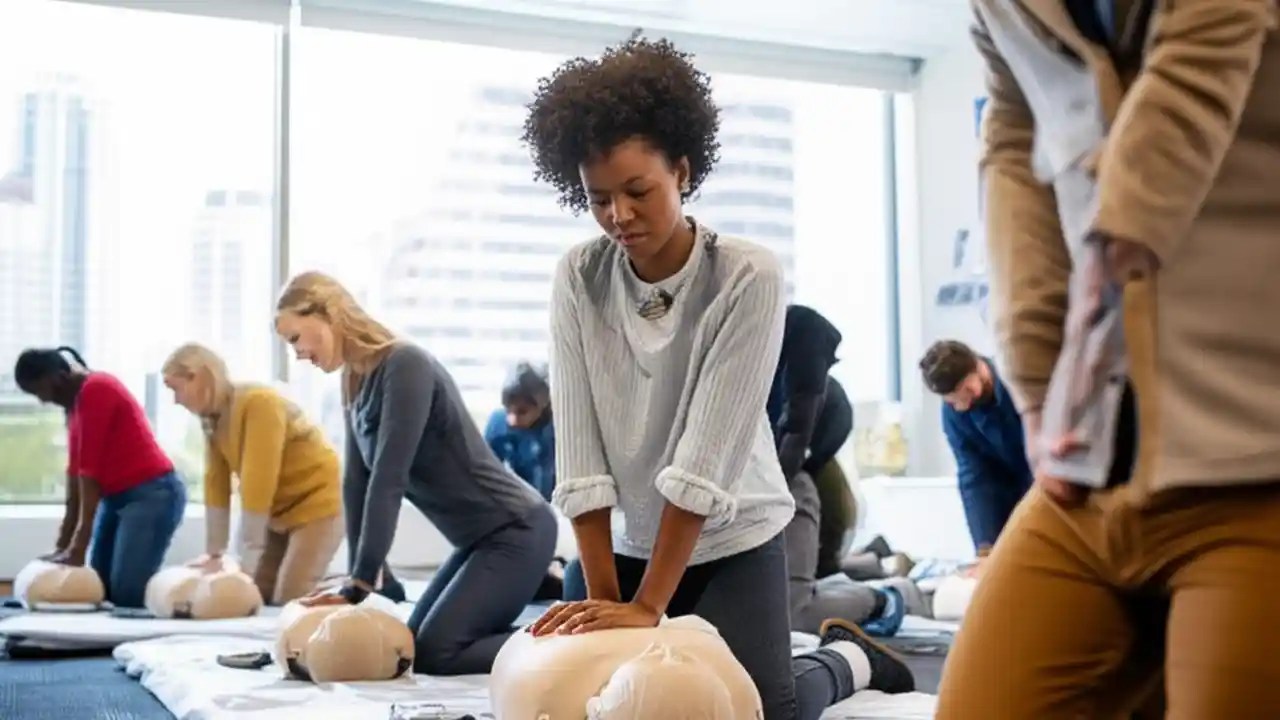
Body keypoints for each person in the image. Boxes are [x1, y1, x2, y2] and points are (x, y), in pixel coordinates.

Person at [519, 35, 914, 720]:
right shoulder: (578, 277)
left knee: (763, 711)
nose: (619, 216)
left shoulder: (745, 275)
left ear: (683, 169)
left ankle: (850, 658)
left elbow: (706, 458)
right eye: (599, 198)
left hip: (733, 536)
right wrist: (613, 603)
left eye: (638, 190)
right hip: (618, 546)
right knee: (593, 702)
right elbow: (579, 452)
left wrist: (649, 609)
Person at [938, 2, 1280, 718]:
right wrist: (1034, 387)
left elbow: (1199, 64)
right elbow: (1012, 145)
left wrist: (1101, 279)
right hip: (1089, 465)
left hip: (1252, 445)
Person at [274, 271, 556, 675]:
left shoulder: (405, 364)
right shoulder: (353, 381)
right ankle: (543, 616)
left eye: (295, 338)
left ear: (328, 314)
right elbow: (357, 483)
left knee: (439, 652)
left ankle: (570, 639)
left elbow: (390, 476)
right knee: (415, 643)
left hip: (517, 529)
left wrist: (361, 582)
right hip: (477, 541)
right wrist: (365, 574)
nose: (298, 353)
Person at [162, 343, 344, 605]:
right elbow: (216, 482)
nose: (176, 400)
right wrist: (214, 554)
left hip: (318, 504)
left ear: (198, 377)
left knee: (289, 599)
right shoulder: (212, 418)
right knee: (259, 595)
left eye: (176, 389)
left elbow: (259, 480)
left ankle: (351, 588)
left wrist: (243, 566)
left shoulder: (258, 402)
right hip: (279, 513)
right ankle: (324, 580)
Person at [14, 347, 186, 608]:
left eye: (40, 391)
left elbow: (89, 474)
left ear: (59, 377)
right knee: (99, 587)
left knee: (127, 592)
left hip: (151, 494)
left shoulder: (97, 389)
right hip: (116, 498)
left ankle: (180, 600)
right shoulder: (73, 406)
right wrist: (62, 547)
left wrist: (78, 547)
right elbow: (75, 479)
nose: (42, 400)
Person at [919, 339, 1032, 562]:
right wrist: (985, 546)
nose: (960, 408)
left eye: (960, 397)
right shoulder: (954, 413)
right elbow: (974, 476)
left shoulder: (1022, 380)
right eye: (951, 401)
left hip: (1049, 482)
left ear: (973, 381)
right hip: (1004, 496)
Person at [768, 304, 858, 578]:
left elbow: (797, 429)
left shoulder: (807, 342)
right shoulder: (770, 341)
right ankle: (873, 558)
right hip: (796, 426)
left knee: (802, 487)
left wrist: (776, 488)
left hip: (828, 425)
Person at [484, 361, 555, 502]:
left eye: (522, 412)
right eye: (508, 410)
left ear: (542, 405)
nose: (512, 420)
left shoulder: (559, 429)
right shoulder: (498, 425)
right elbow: (484, 471)